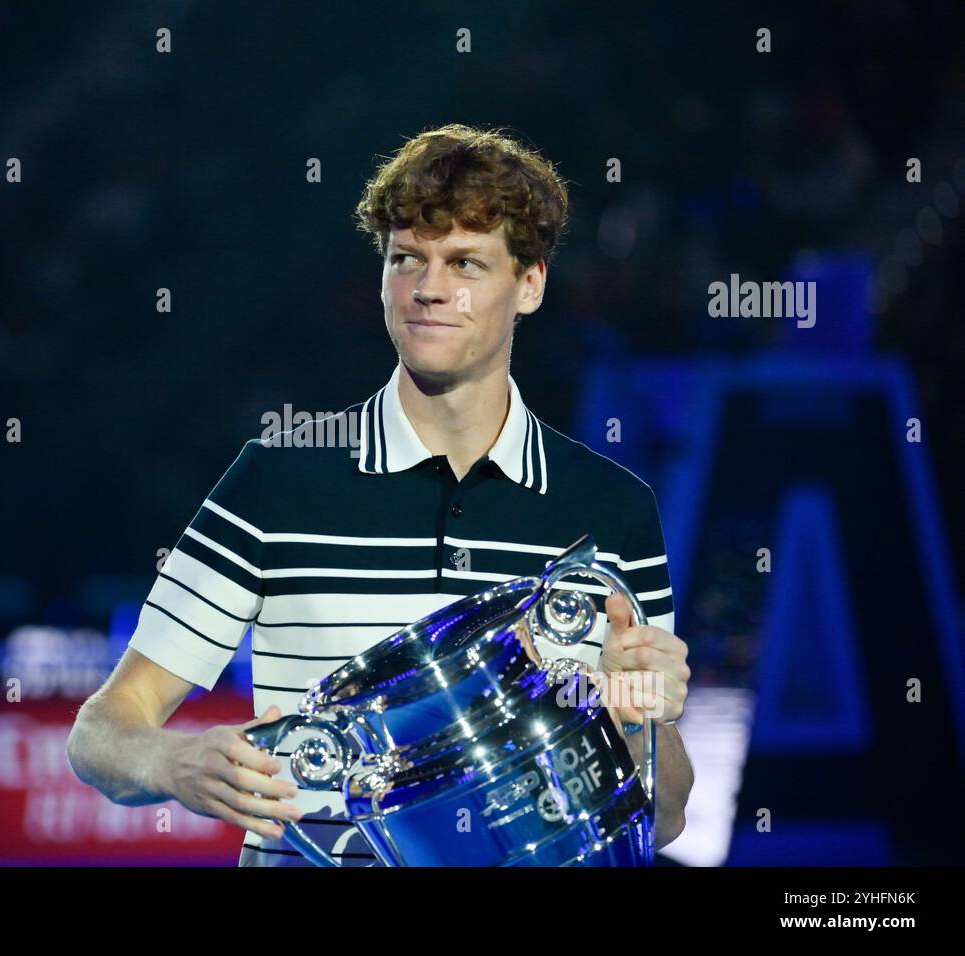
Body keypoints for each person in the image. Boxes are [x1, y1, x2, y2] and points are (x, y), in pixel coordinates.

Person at [67, 123, 693, 866]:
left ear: (530, 284)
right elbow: (101, 730)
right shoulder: (277, 478)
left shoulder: (612, 508)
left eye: (465, 262)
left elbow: (667, 816)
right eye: (406, 259)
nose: (429, 288)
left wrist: (638, 719)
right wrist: (172, 763)